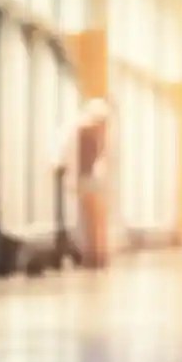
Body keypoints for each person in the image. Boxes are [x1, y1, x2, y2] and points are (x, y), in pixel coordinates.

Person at [54, 98, 112, 268]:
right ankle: (97, 256)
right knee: (95, 220)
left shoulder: (82, 131)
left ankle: (95, 256)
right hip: (91, 179)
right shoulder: (91, 133)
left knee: (92, 220)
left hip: (87, 179)